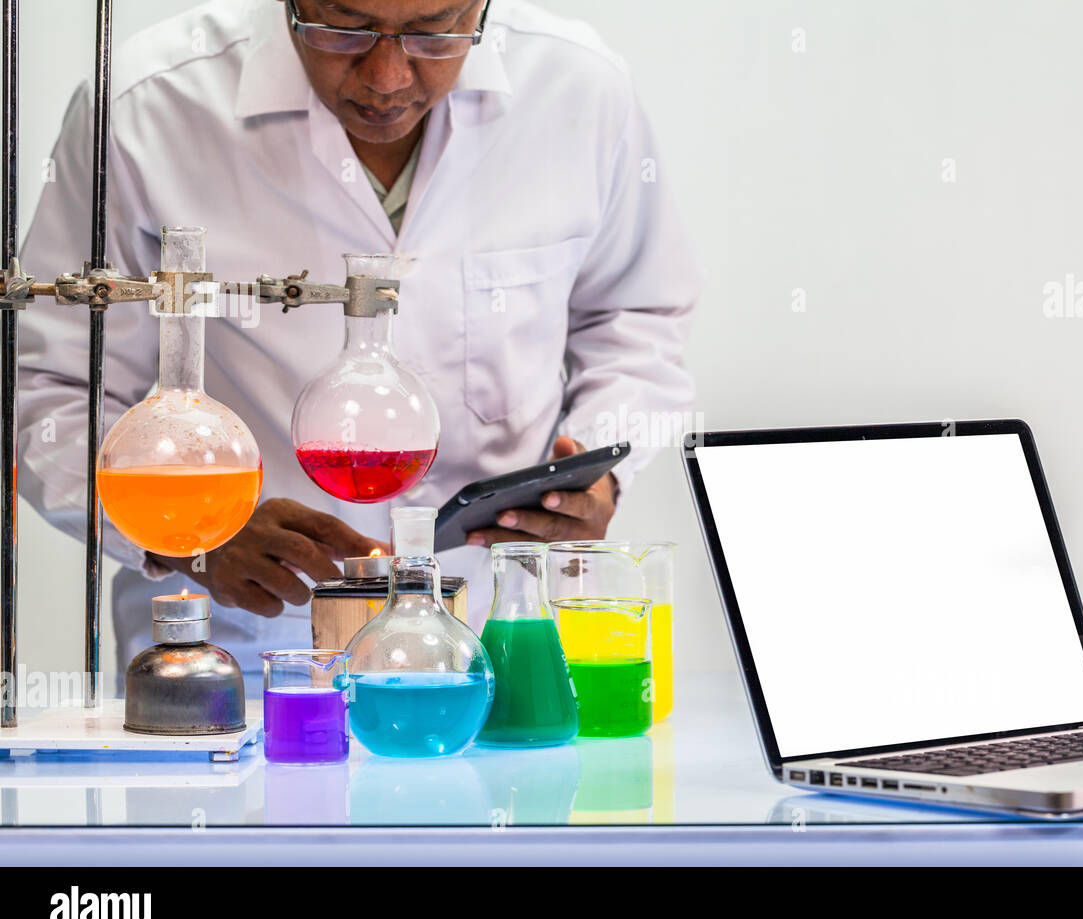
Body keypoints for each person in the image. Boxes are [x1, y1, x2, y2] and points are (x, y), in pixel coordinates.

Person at [16, 0, 698, 686]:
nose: (388, 76)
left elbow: (639, 319)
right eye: (343, 27)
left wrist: (600, 472)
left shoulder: (579, 88)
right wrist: (191, 538)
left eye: (434, 33)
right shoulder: (145, 107)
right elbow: (53, 388)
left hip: (506, 627)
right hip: (240, 652)